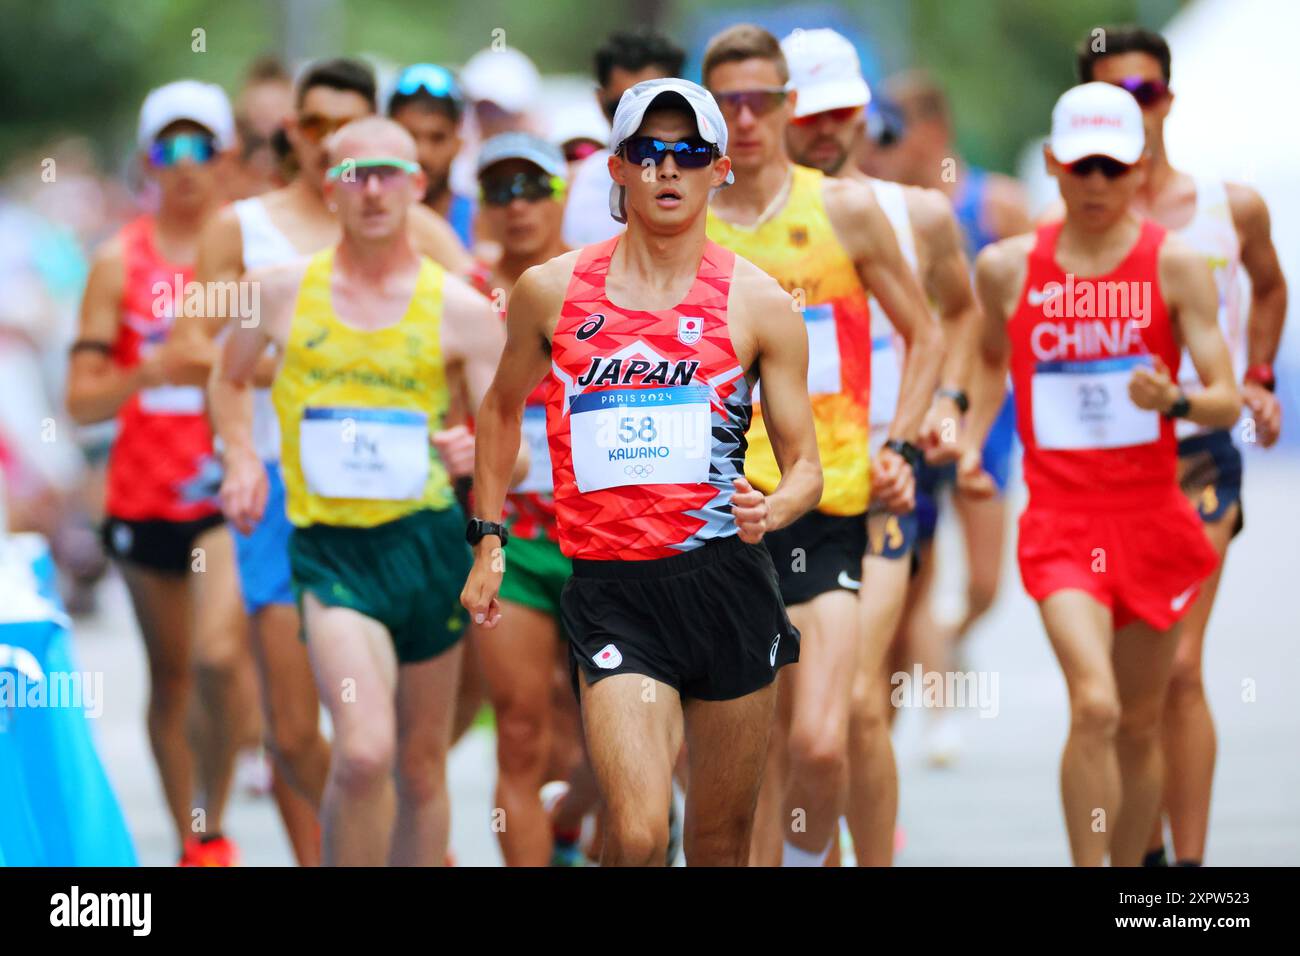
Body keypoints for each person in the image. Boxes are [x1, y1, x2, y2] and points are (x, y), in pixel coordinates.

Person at [464, 77, 824, 866]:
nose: (668, 169)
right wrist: (488, 540)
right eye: (648, 152)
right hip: (611, 591)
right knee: (634, 831)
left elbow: (806, 467)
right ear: (618, 169)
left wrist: (779, 508)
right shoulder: (551, 292)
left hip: (727, 581)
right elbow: (497, 410)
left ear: (718, 170)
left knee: (720, 842)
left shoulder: (759, 305)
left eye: (689, 153)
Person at [164, 57, 471, 867]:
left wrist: (461, 431)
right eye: (316, 127)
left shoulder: (423, 234)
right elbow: (195, 342)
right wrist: (308, 365)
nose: (332, 143)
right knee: (296, 729)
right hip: (278, 491)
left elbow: (479, 346)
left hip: (406, 508)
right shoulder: (247, 230)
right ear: (295, 135)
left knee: (389, 748)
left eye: (350, 129)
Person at [962, 82, 1240, 866]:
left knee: (1141, 723)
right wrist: (975, 441)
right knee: (1095, 703)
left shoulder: (1178, 264)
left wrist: (1176, 396)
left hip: (1153, 518)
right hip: (1061, 523)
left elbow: (1225, 401)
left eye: (1112, 168)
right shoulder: (1007, 268)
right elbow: (987, 359)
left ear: (1139, 166)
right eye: (1079, 166)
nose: (1094, 183)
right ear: (1051, 163)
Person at [701, 24, 943, 867]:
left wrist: (905, 447)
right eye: (726, 102)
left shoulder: (843, 209)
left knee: (822, 740)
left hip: (832, 499)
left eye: (760, 100)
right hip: (722, 514)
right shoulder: (685, 223)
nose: (745, 117)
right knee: (751, 757)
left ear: (784, 105)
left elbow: (927, 332)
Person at [1069, 26, 1288, 868]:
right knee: (1121, 692)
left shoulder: (1231, 207)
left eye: (1147, 94)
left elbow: (1269, 286)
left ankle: (1185, 873)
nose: (1135, 112)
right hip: (1096, 474)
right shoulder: (1066, 225)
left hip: (1196, 455)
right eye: (1113, 98)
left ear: (1170, 99)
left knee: (1183, 664)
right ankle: (1139, 852)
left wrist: (1258, 374)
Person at [778, 26, 979, 865]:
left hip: (884, 483)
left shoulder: (917, 213)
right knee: (787, 711)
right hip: (776, 486)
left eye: (843, 112)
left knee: (859, 700)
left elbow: (961, 314)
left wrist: (946, 408)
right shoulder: (733, 220)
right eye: (809, 112)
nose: (827, 130)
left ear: (866, 112)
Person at [65, 80, 247, 866]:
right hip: (141, 499)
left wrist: (227, 371)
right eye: (169, 149)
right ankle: (195, 836)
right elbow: (78, 402)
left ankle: (218, 808)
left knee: (218, 659)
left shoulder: (248, 253)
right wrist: (152, 370)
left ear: (225, 157)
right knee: (171, 679)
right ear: (148, 160)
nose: (186, 166)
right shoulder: (117, 261)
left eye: (201, 147)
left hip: (223, 494)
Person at [865, 69, 1033, 766]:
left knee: (988, 582)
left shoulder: (995, 204)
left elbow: (1051, 293)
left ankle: (952, 640)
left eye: (892, 132)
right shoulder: (882, 213)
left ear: (930, 132)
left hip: (987, 411)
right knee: (916, 574)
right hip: (921, 413)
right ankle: (933, 713)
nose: (879, 145)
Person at [467, 132, 591, 866]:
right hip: (509, 530)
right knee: (520, 731)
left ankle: (571, 820)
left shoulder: (600, 281)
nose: (517, 207)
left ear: (563, 194)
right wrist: (456, 441)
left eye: (533, 188)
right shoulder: (460, 292)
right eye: (499, 191)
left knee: (623, 728)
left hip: (602, 532)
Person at [562, 29, 686, 248]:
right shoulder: (570, 187)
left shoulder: (712, 180)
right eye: (620, 107)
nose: (634, 124)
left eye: (651, 109)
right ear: (600, 101)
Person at [388, 63, 476, 249]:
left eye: (437, 138)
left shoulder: (484, 222)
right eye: (409, 136)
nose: (422, 154)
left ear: (459, 144)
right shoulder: (363, 217)